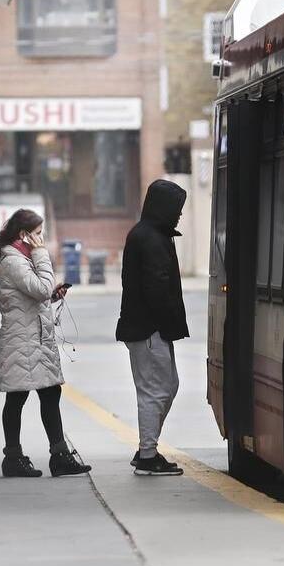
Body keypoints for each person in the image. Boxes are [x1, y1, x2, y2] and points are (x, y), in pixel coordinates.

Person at [0, 209, 91, 478]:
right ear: (23, 234)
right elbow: (40, 288)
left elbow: (37, 295)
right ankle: (14, 457)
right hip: (22, 341)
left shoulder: (22, 257)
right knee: (18, 396)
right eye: (37, 233)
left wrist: (53, 296)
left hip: (34, 338)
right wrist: (41, 255)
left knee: (48, 393)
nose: (41, 238)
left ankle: (58, 456)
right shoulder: (13, 260)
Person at [116, 180, 189, 476]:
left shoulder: (149, 234)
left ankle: (147, 448)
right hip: (149, 329)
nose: (179, 215)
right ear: (164, 207)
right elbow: (157, 287)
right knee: (155, 391)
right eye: (177, 209)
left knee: (168, 386)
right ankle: (147, 455)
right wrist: (169, 323)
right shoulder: (151, 239)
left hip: (149, 328)